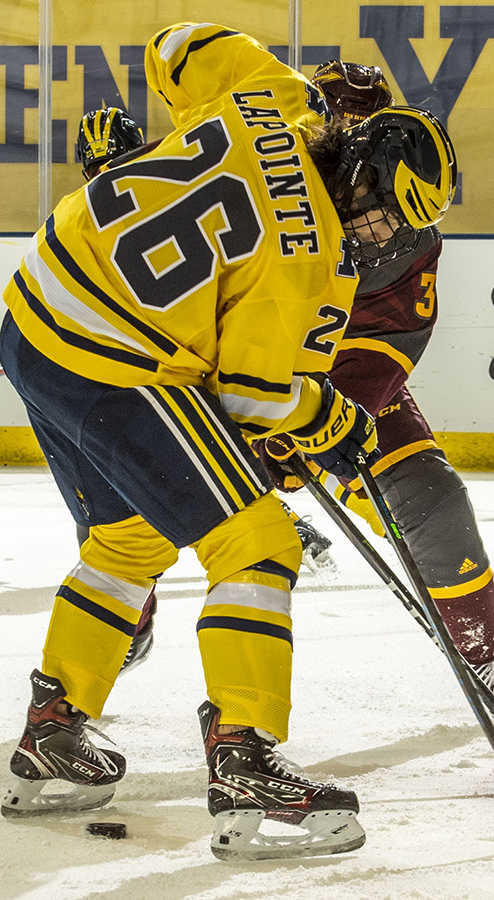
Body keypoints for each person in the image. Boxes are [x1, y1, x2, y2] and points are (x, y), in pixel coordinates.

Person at [0, 23, 455, 862]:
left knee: (128, 537)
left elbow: (176, 45)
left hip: (36, 307)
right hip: (116, 355)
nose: (386, 236)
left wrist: (249, 107)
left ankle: (53, 729)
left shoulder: (272, 95)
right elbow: (253, 399)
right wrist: (335, 423)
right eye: (386, 214)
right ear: (358, 177)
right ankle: (245, 761)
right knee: (260, 544)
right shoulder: (309, 256)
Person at [261, 59, 494, 756]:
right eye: (338, 112)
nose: (386, 238)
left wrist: (322, 423)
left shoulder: (408, 243)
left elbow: (383, 345)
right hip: (221, 377)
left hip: (325, 381)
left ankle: (487, 654)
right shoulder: (269, 186)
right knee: (154, 507)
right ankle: (112, 624)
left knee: (430, 493)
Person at [68, 107, 339, 674]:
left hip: (137, 370)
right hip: (150, 370)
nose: (105, 173)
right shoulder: (167, 177)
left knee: (122, 522)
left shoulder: (106, 206)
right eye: (99, 167)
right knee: (120, 520)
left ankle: (116, 639)